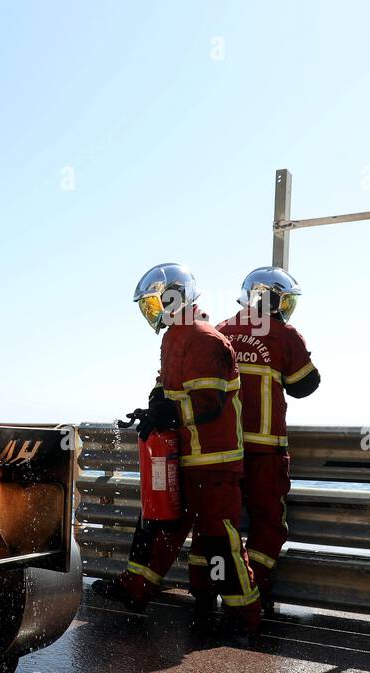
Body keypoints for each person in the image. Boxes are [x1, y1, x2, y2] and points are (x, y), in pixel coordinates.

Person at [90, 263, 262, 639]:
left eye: (154, 303)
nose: (152, 313)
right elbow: (168, 388)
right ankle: (135, 591)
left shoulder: (205, 339)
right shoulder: (174, 338)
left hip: (213, 463)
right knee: (159, 525)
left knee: (220, 539)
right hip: (181, 459)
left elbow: (208, 403)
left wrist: (168, 412)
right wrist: (154, 406)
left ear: (174, 297)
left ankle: (243, 615)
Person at [218, 267, 320, 612]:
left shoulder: (220, 332)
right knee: (268, 525)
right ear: (272, 299)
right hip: (266, 451)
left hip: (223, 452)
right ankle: (253, 587)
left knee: (219, 524)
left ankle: (209, 593)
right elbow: (306, 384)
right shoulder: (283, 335)